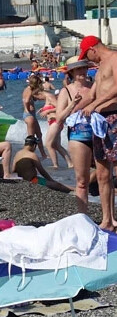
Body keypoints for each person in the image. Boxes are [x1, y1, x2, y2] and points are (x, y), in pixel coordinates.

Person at [78, 36, 117, 231]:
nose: (89, 59)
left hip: (114, 118)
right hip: (100, 122)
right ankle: (107, 220)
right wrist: (70, 112)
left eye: (87, 55)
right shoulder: (101, 67)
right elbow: (92, 95)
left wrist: (95, 105)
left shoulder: (115, 59)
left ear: (93, 48)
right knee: (102, 173)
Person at [55, 58, 95, 213]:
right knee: (82, 181)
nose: (83, 72)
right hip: (79, 137)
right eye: (79, 69)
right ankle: (83, 217)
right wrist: (73, 104)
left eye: (84, 68)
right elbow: (59, 118)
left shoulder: (93, 87)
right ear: (71, 72)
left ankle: (108, 217)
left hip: (98, 136)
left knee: (106, 178)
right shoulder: (66, 91)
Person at [22, 75, 46, 157]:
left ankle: (43, 154)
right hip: (29, 115)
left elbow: (35, 98)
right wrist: (26, 109)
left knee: (39, 135)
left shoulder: (29, 89)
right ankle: (29, 154)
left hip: (31, 115)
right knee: (31, 138)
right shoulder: (28, 90)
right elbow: (26, 101)